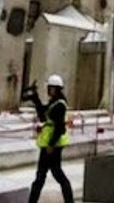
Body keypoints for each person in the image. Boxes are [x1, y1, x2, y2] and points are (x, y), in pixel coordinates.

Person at [27, 74, 74, 203]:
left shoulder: (59, 105)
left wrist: (51, 145)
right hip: (51, 145)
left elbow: (60, 128)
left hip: (52, 146)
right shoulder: (54, 102)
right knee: (52, 174)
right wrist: (35, 98)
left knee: (43, 176)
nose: (48, 90)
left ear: (55, 88)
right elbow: (43, 116)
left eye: (50, 87)